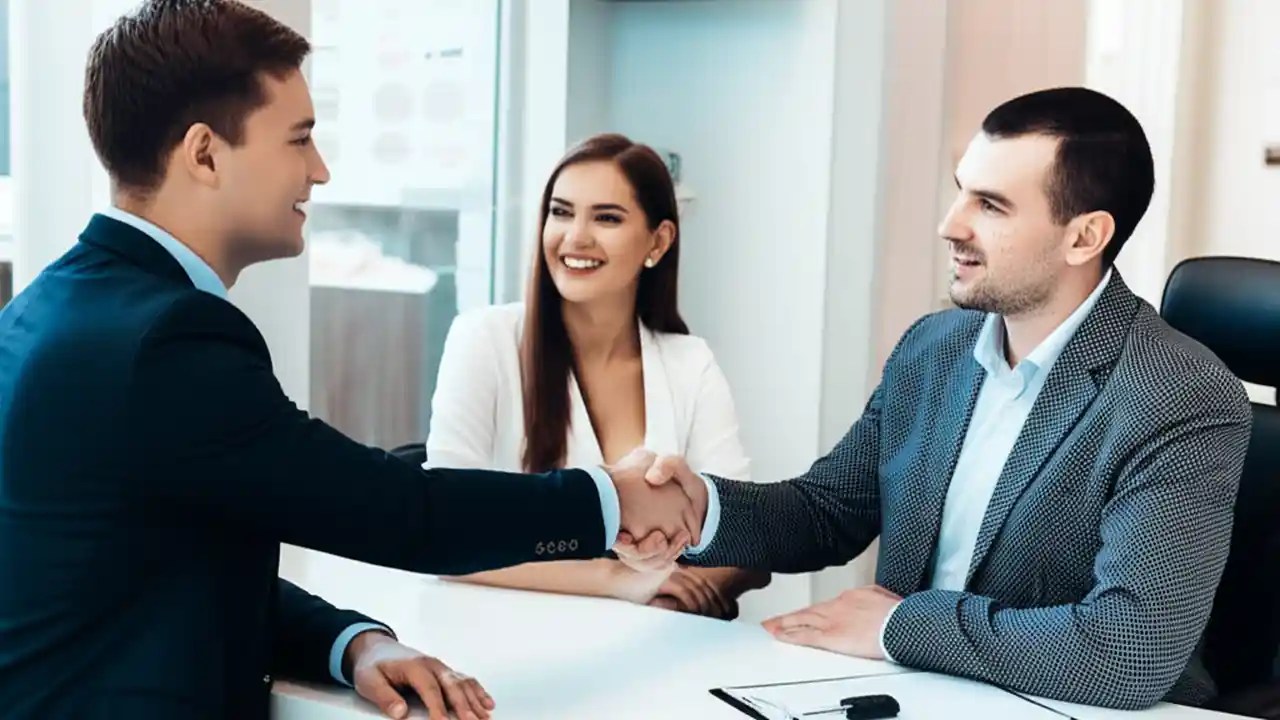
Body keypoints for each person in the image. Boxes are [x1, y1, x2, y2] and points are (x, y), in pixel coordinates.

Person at [0, 2, 698, 719]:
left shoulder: (41, 310)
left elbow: (172, 562)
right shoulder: (169, 338)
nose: (321, 169)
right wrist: (609, 500)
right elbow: (401, 513)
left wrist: (350, 643)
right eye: (299, 139)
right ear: (205, 154)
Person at [619, 87, 1253, 710]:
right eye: (961, 190)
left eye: (991, 205)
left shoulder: (1181, 396)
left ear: (1084, 237)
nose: (951, 225)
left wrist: (898, 629)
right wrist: (697, 509)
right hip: (916, 692)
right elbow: (827, 512)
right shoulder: (935, 346)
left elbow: (1125, 651)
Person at [427, 133, 769, 618]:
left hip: (656, 646)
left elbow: (737, 530)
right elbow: (445, 539)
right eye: (561, 212)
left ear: (658, 241)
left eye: (606, 218)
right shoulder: (484, 339)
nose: (576, 237)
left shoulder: (690, 363)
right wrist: (620, 579)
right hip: (504, 639)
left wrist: (682, 586)